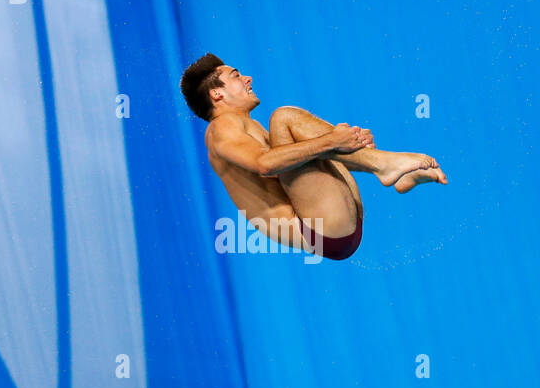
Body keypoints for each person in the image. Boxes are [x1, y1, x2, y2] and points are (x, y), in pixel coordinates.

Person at [181, 54, 447, 261]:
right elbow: (264, 165)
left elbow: (291, 168)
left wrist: (346, 144)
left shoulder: (248, 128)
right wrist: (334, 141)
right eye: (236, 76)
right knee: (284, 118)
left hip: (332, 226)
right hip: (316, 229)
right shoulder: (220, 128)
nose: (248, 78)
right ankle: (383, 165)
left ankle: (387, 167)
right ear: (217, 94)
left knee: (305, 140)